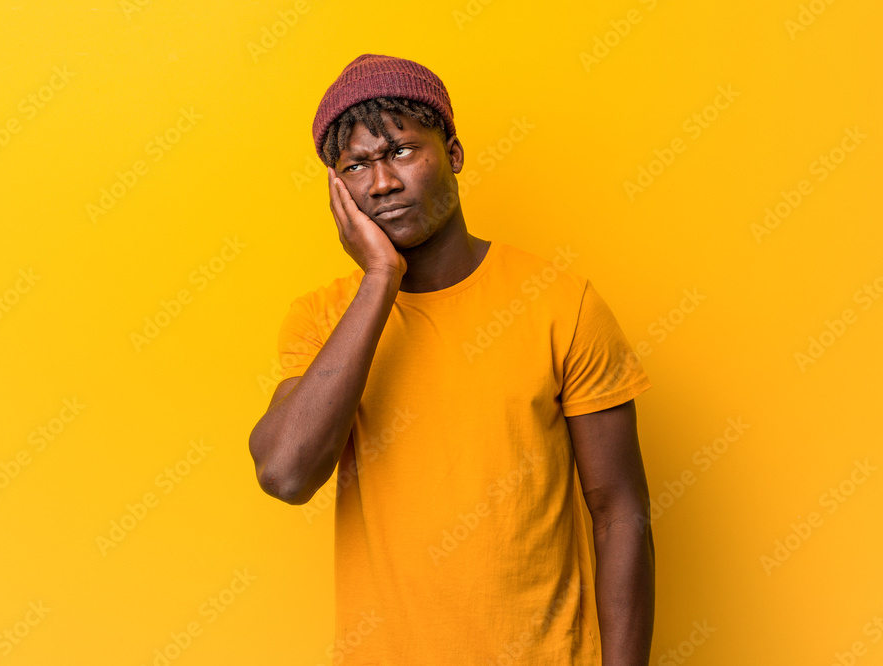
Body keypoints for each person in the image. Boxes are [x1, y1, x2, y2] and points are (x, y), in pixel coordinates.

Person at [249, 53, 655, 665]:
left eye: (403, 151)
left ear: (454, 154)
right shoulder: (322, 319)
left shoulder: (561, 304)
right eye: (356, 164)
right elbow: (285, 473)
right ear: (338, 189)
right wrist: (381, 277)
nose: (382, 182)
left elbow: (619, 511)